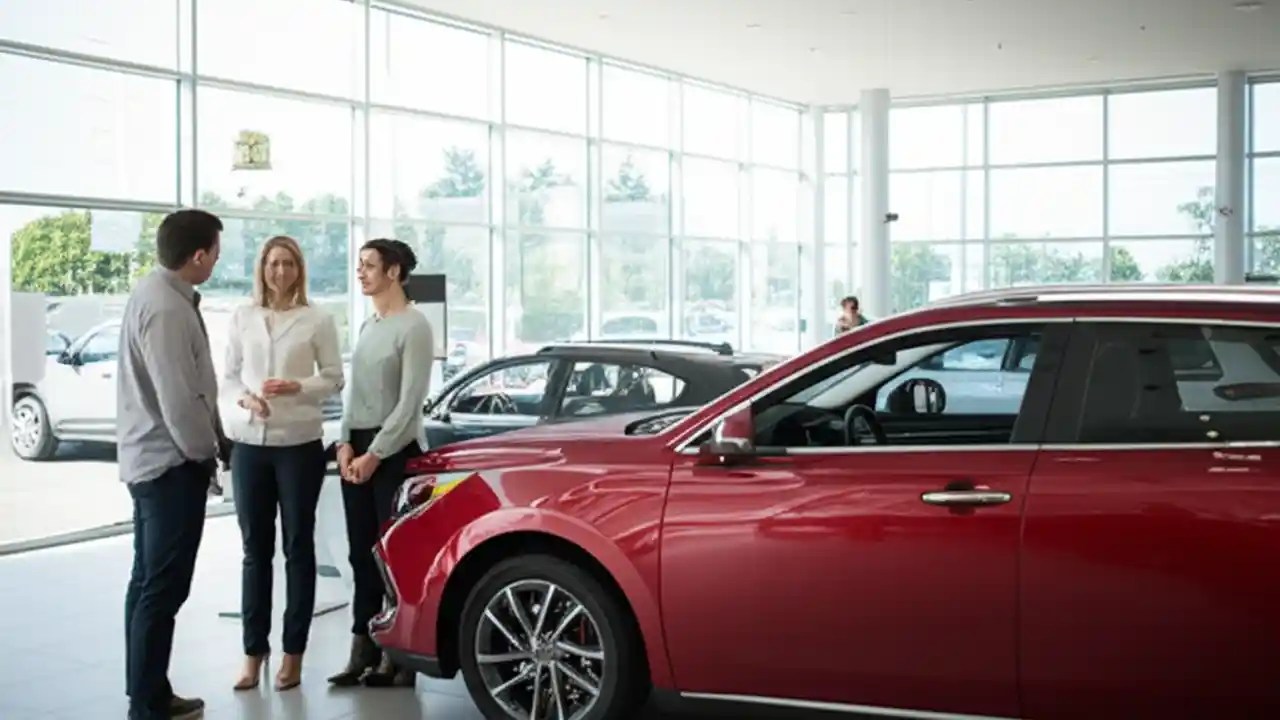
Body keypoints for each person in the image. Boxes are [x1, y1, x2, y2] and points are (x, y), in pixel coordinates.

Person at [118, 208, 228, 720]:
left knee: (147, 583)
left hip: (155, 463)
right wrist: (206, 454)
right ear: (199, 255)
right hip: (168, 467)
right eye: (216, 251)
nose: (217, 260)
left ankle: (149, 690)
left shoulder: (156, 293)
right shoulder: (166, 307)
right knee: (161, 588)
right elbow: (178, 400)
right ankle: (147, 703)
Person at [223, 236, 344, 692]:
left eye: (288, 263)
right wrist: (243, 398)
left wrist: (297, 387)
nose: (280, 271)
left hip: (298, 445)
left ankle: (293, 654)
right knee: (255, 551)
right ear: (262, 268)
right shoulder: (243, 316)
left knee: (298, 546)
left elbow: (334, 377)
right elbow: (229, 376)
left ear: (299, 269)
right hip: (250, 445)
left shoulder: (318, 319)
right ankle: (253, 653)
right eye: (273, 263)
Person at [328, 238, 434, 688]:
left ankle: (398, 654)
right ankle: (362, 647)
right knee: (359, 554)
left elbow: (410, 405)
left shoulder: (415, 326)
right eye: (360, 265)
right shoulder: (369, 326)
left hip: (394, 453)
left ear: (393, 272)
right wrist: (344, 444)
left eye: (369, 265)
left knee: (392, 555)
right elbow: (353, 396)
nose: (362, 272)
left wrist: (375, 454)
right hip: (360, 450)